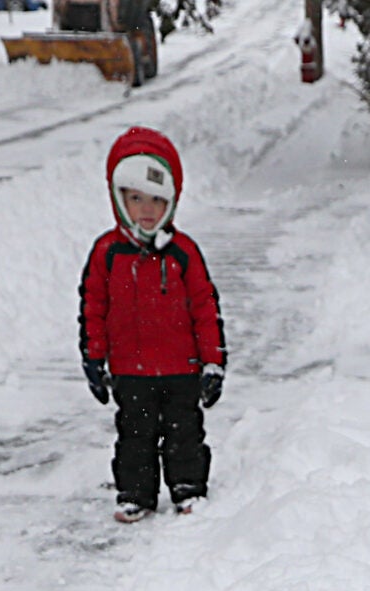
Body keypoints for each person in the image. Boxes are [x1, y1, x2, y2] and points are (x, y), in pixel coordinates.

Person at [79, 127, 224, 523]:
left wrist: (213, 362)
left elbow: (205, 307)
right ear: (119, 199)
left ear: (171, 202)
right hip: (130, 369)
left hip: (182, 368)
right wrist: (94, 358)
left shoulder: (183, 253)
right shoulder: (107, 253)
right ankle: (136, 494)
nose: (146, 210)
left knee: (185, 434)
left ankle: (188, 488)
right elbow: (93, 308)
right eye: (136, 198)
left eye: (157, 200)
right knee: (134, 436)